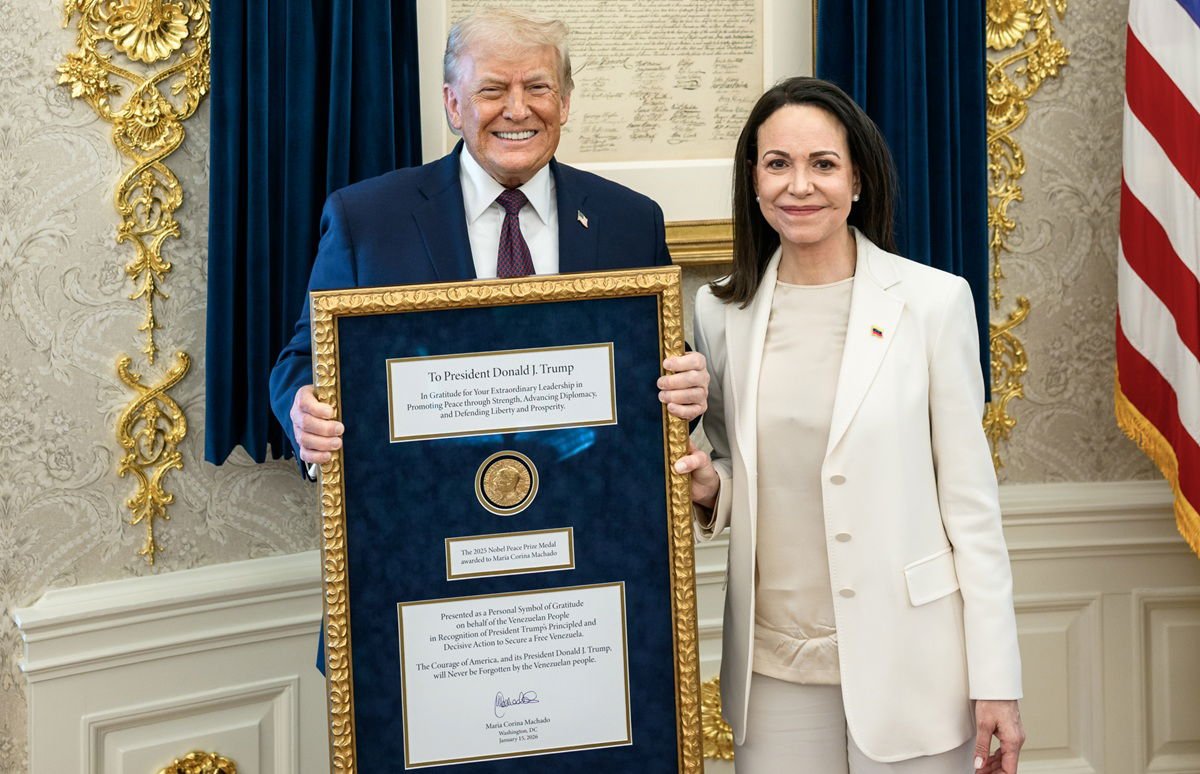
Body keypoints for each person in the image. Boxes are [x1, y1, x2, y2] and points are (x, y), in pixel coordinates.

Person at [675, 77, 1025, 773]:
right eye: (778, 164)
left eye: (823, 164)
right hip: (772, 666)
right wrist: (711, 487)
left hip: (912, 659)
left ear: (857, 179)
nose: (799, 185)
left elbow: (971, 507)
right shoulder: (718, 311)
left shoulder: (933, 302)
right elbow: (742, 468)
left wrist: (997, 678)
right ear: (753, 180)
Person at [269, 8, 709, 463]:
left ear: (564, 102)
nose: (517, 110)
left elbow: (658, 368)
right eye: (492, 90)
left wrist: (686, 390)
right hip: (424, 493)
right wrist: (304, 412)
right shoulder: (367, 220)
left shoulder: (630, 221)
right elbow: (305, 360)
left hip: (587, 491)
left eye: (537, 87)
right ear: (453, 105)